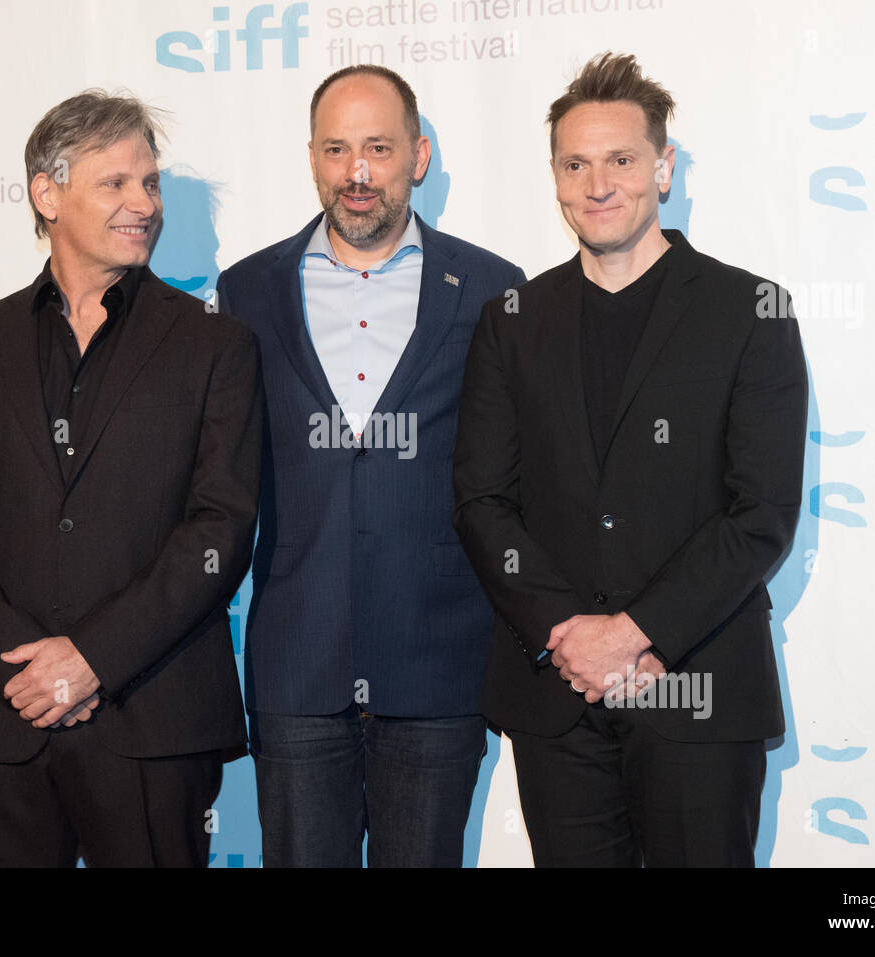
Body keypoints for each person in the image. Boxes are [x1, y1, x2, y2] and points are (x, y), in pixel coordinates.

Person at [452, 52, 808, 867]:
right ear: (555, 178)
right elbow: (481, 501)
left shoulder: (748, 312)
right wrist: (568, 636)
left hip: (698, 689)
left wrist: (637, 633)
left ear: (664, 167)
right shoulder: (512, 319)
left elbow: (760, 514)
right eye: (576, 163)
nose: (598, 183)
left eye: (621, 159)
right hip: (557, 695)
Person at [0, 90, 261, 867]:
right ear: (47, 192)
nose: (144, 204)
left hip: (152, 718)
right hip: (1, 717)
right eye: (117, 183)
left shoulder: (215, 346)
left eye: (151, 183)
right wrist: (24, 664)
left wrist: (92, 657)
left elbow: (219, 528)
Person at [216, 65, 525, 867]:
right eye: (337, 148)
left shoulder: (493, 290)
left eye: (379, 147)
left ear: (417, 156)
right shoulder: (247, 290)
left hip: (438, 663)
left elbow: (509, 479)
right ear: (313, 159)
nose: (357, 172)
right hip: (297, 664)